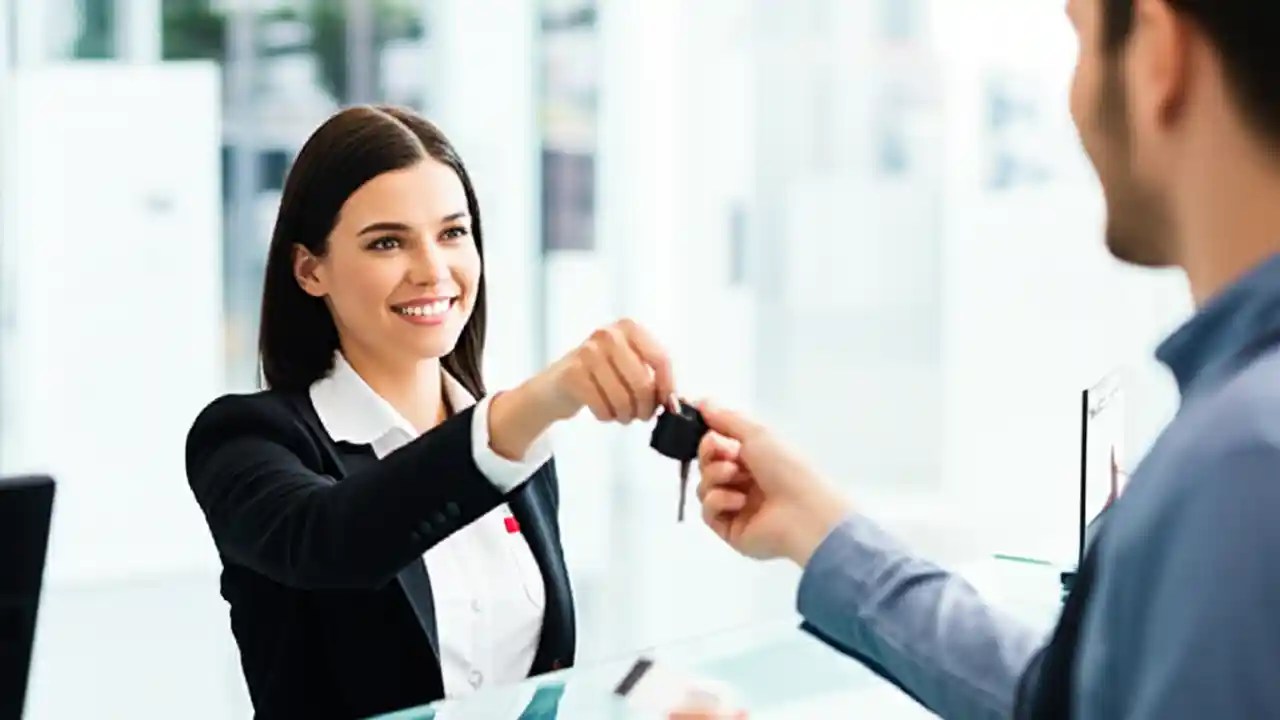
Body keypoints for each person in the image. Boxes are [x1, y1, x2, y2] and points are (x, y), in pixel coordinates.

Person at [694, 0, 1280, 718]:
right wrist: (817, 532)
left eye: (1081, 39)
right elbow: (1071, 704)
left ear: (1158, 56)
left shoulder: (1242, 469)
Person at [186, 106, 678, 719]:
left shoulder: (514, 445)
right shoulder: (246, 439)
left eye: (452, 233)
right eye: (388, 242)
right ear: (311, 270)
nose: (433, 271)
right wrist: (533, 406)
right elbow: (331, 542)